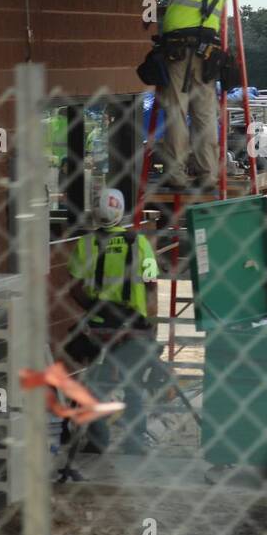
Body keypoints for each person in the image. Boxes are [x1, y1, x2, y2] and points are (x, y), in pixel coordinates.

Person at [142, 0, 243, 189]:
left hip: (179, 52)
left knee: (176, 109)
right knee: (205, 115)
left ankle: (176, 174)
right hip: (208, 55)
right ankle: (208, 173)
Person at [63, 189, 160, 455]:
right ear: (121, 211)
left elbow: (74, 288)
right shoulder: (139, 243)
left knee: (95, 384)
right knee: (133, 384)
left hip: (98, 327)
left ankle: (97, 441)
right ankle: (135, 441)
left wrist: (95, 308)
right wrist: (147, 319)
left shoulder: (86, 244)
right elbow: (152, 283)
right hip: (132, 327)